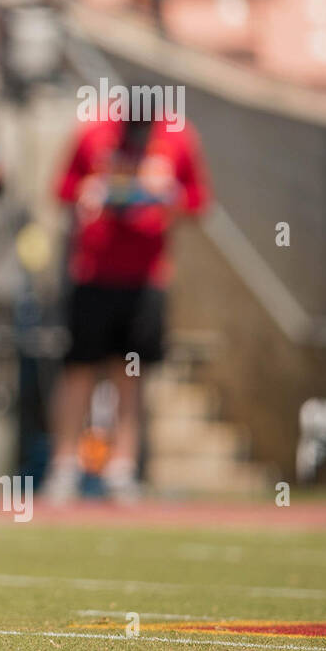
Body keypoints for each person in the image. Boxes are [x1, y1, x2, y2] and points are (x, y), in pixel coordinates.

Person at [48, 102, 211, 502]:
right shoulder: (93, 132)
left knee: (130, 375)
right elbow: (62, 189)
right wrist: (90, 191)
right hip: (92, 272)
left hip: (145, 278)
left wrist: (165, 192)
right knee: (79, 371)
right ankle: (65, 467)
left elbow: (198, 201)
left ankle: (121, 469)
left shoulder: (178, 137)